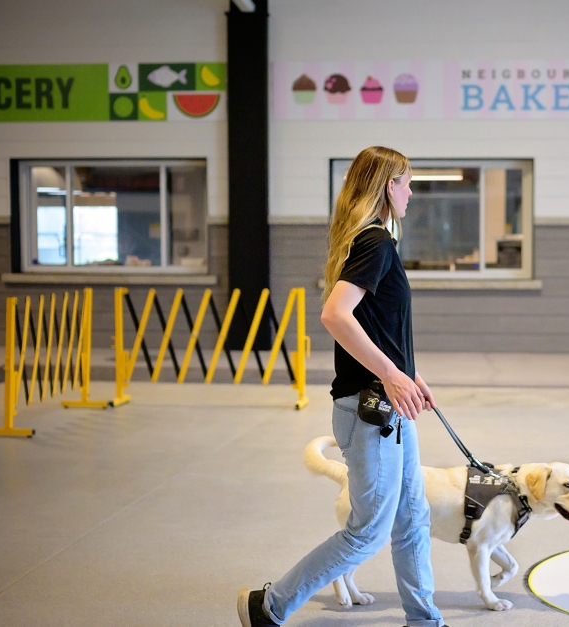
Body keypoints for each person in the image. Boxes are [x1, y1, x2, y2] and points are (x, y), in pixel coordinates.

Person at [238, 146, 446, 627]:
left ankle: (424, 621)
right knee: (368, 532)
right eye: (407, 183)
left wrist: (407, 372)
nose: (411, 192)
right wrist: (392, 374)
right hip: (369, 409)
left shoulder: (367, 240)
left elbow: (374, 322)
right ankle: (267, 605)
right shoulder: (375, 241)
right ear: (388, 186)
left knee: (413, 518)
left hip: (389, 405)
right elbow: (335, 315)